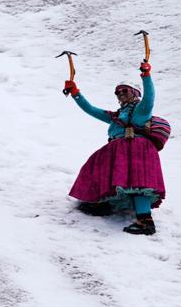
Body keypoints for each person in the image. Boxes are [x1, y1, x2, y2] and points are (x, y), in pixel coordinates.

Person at [65, 61, 164, 235]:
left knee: (139, 183)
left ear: (134, 93)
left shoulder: (141, 111)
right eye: (117, 92)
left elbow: (149, 98)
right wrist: (76, 93)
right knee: (97, 167)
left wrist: (146, 76)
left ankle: (145, 222)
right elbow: (91, 109)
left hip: (137, 149)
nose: (120, 94)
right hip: (119, 150)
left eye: (124, 90)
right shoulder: (116, 116)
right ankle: (102, 203)